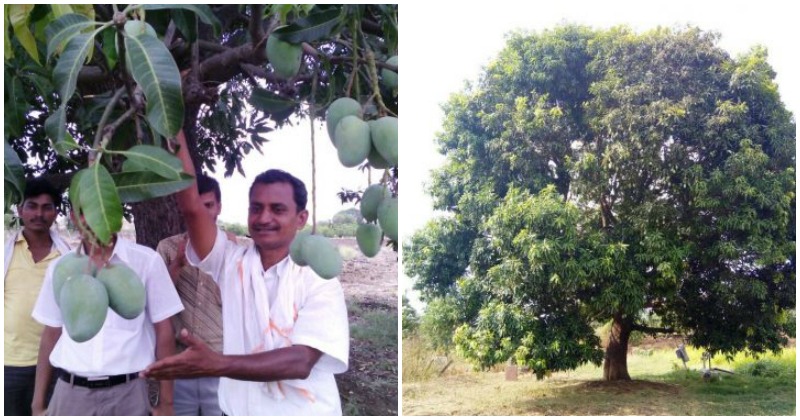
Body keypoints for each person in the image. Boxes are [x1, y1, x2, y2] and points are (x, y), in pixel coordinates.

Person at [143, 130, 349, 416]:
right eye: (256, 208)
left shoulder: (318, 278)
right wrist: (170, 114)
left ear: (301, 218)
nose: (264, 218)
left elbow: (301, 362)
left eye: (277, 209)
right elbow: (192, 207)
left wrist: (216, 363)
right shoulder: (231, 260)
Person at [30, 205, 184, 416]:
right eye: (85, 211)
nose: (94, 217)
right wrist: (37, 403)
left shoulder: (146, 261)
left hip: (130, 393)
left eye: (102, 208)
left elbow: (164, 332)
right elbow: (51, 332)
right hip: (71, 394)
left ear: (115, 215)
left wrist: (166, 403)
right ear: (74, 217)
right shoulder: (60, 268)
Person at [156, 174, 240, 416]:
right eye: (197, 206)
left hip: (222, 360)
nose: (202, 213)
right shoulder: (167, 248)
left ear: (219, 208)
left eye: (209, 205)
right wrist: (178, 265)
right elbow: (156, 301)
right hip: (181, 360)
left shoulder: (237, 250)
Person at [4, 178, 71, 416]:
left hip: (55, 364)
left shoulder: (68, 259)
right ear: (20, 210)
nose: (39, 214)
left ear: (55, 213)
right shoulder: (5, 253)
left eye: (47, 207)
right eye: (32, 206)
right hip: (10, 364)